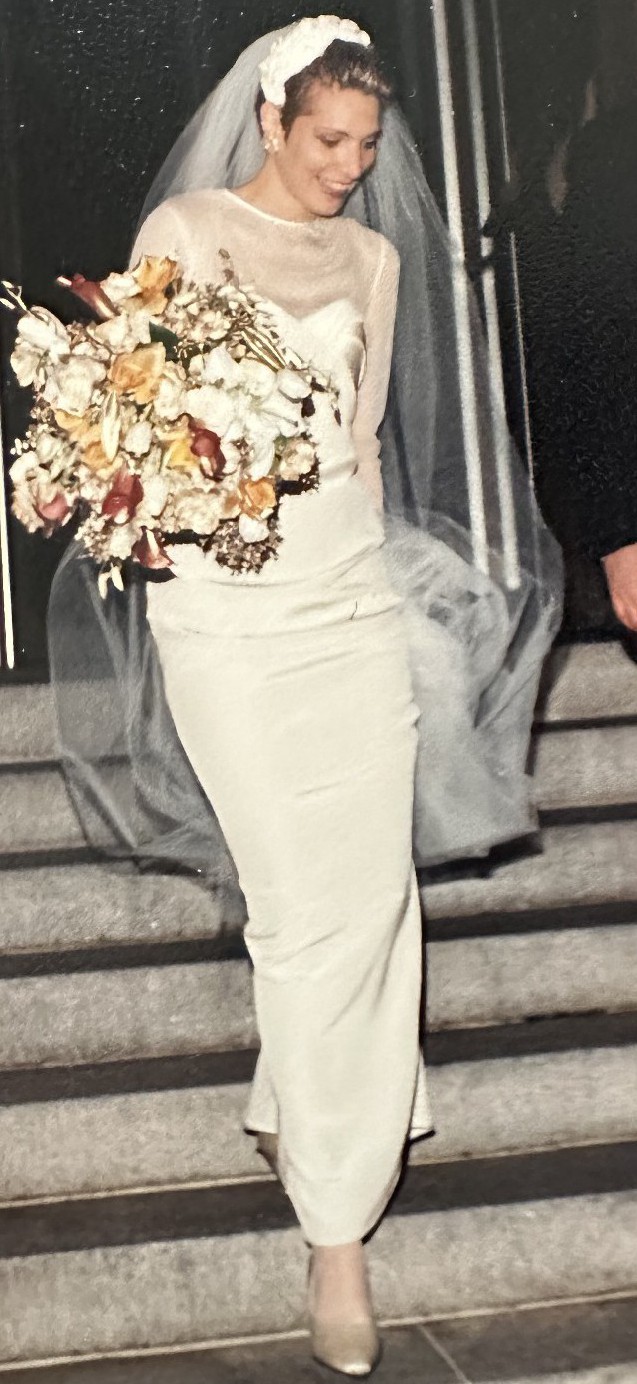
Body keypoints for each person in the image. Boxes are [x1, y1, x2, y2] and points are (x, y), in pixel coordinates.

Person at [46, 14, 562, 1376]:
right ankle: (334, 1198)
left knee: (370, 899)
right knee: (298, 909)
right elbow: (140, 431)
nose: (349, 166)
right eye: (327, 139)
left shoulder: (375, 261)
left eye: (367, 145)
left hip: (351, 606)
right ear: (272, 121)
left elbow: (365, 448)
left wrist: (381, 589)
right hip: (226, 618)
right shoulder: (187, 230)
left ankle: (329, 1198)